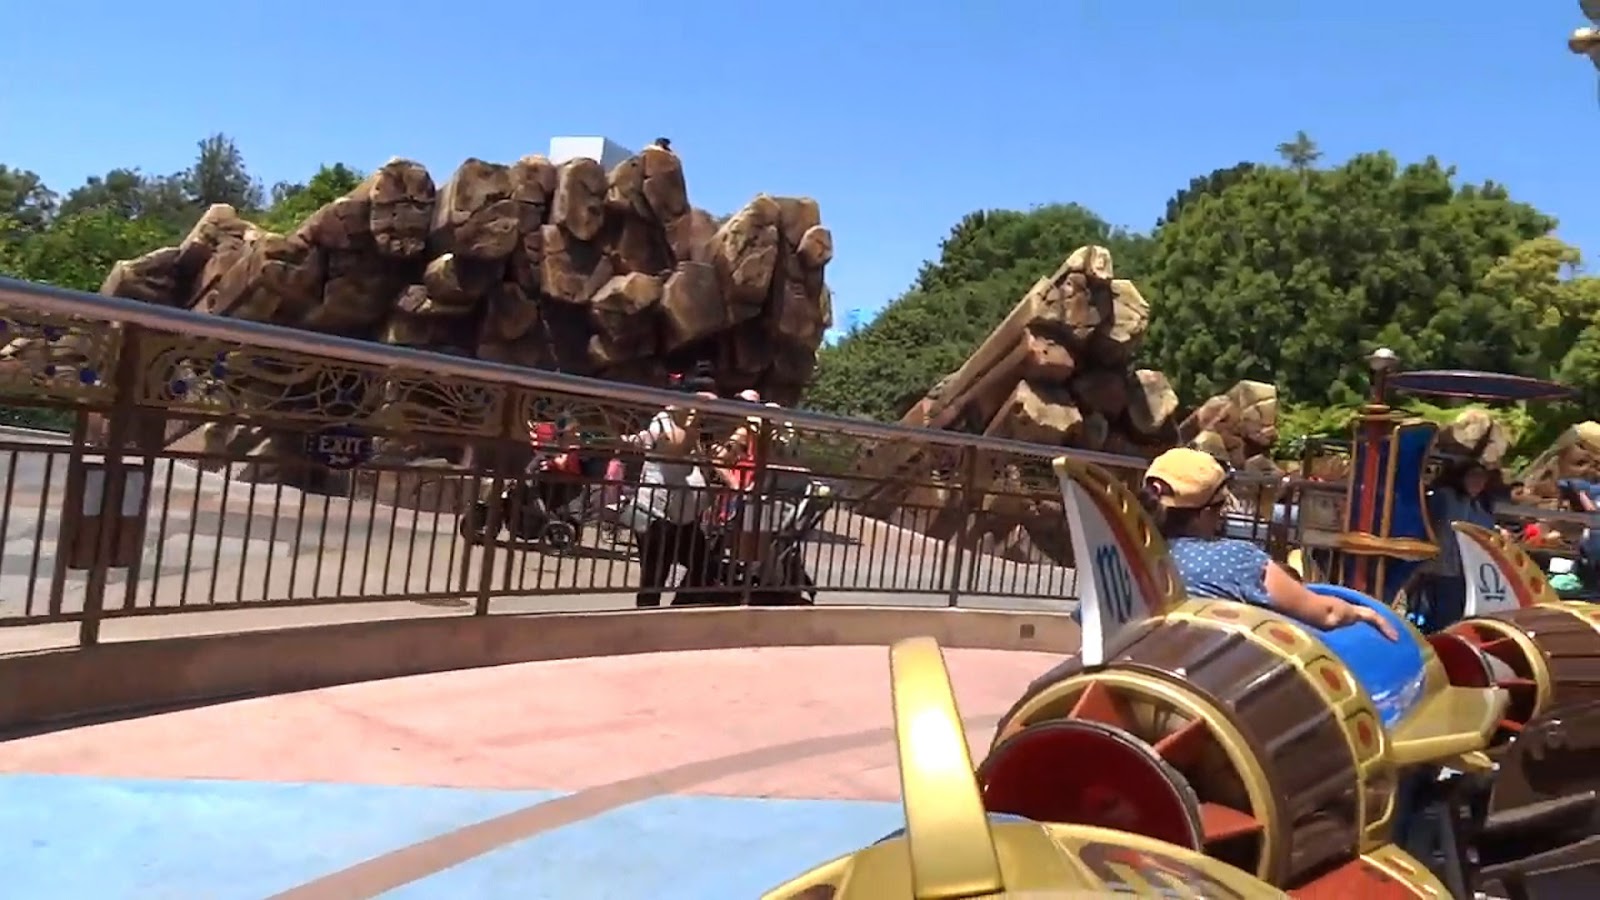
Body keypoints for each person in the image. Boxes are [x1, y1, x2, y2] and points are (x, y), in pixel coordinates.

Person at [1135, 447, 1398, 640]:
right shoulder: (1236, 561)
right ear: (1203, 514)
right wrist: (1360, 612)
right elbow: (1326, 614)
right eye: (1219, 508)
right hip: (1209, 689)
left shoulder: (1125, 552)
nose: (1222, 516)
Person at [621, 369, 718, 607]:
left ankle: (677, 609)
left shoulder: (691, 423)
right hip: (656, 513)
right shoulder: (663, 419)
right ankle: (646, 625)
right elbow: (677, 448)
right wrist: (695, 418)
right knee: (655, 576)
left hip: (684, 516)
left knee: (705, 565)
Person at [1419, 459, 1499, 632]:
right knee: (1440, 617)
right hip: (1442, 567)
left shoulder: (1483, 505)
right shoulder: (1445, 496)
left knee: (1461, 616)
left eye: (1482, 478)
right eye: (1473, 476)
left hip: (1470, 571)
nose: (1478, 482)